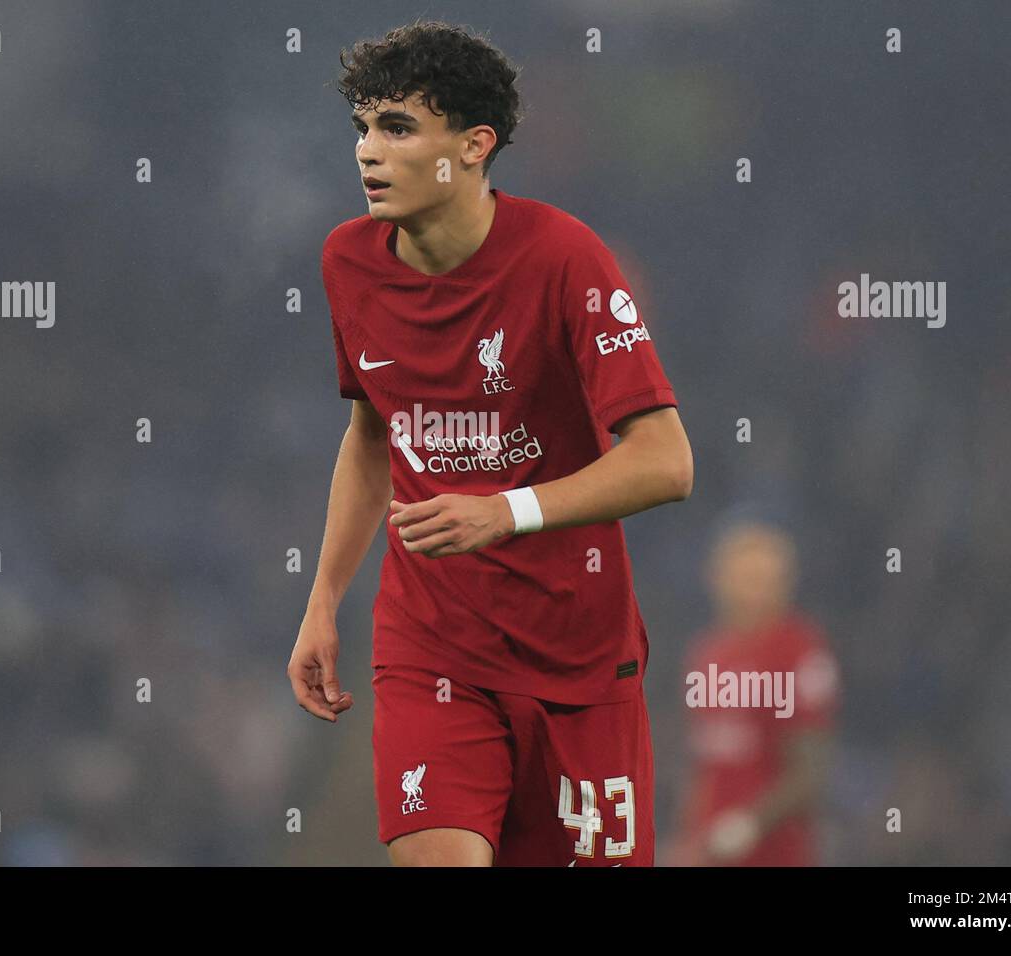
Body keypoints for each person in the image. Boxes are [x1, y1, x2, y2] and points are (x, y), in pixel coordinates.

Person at [288, 20, 693, 866]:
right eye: (363, 127)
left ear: (474, 145)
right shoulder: (348, 262)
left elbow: (666, 460)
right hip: (432, 643)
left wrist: (505, 512)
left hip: (579, 660)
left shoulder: (566, 259)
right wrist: (325, 596)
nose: (368, 151)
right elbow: (372, 433)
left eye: (397, 128)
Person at [662, 520, 840, 866]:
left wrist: (748, 824)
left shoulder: (800, 651)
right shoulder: (706, 653)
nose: (753, 591)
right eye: (745, 577)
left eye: (764, 580)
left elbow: (812, 770)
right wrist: (687, 839)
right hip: (709, 853)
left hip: (776, 855)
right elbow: (702, 761)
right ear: (717, 578)